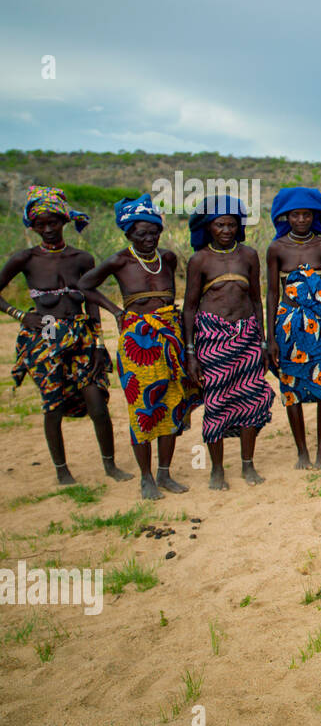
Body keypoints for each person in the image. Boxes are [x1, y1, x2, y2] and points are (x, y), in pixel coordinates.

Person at [0, 187, 130, 484]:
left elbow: (91, 301)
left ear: (64, 221)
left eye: (53, 222)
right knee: (53, 404)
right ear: (32, 226)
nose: (47, 229)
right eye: (40, 224)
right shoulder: (25, 259)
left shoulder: (82, 258)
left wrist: (98, 344)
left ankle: (110, 466)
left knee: (97, 403)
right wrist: (20, 315)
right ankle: (62, 471)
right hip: (43, 337)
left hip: (82, 335)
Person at [79, 195, 200, 499]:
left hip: (169, 335)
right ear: (128, 234)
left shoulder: (169, 258)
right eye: (140, 234)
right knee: (143, 409)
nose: (148, 239)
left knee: (172, 404)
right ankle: (146, 477)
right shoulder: (120, 260)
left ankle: (165, 474)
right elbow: (84, 286)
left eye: (153, 232)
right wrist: (116, 311)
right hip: (137, 338)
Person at [183, 194, 275, 489]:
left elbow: (256, 300)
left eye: (231, 225)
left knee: (251, 400)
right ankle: (218, 470)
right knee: (217, 404)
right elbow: (189, 307)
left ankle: (248, 466)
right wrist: (191, 352)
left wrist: (261, 341)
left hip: (247, 335)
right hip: (212, 339)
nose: (226, 230)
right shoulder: (200, 260)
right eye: (219, 225)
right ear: (208, 227)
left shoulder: (248, 256)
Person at [266, 186, 321, 469]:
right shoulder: (277, 248)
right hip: (287, 329)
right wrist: (270, 336)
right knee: (291, 389)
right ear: (286, 217)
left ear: (314, 216)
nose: (301, 220)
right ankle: (302, 452)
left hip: (320, 326)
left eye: (306, 215)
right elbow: (272, 293)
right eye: (295, 215)